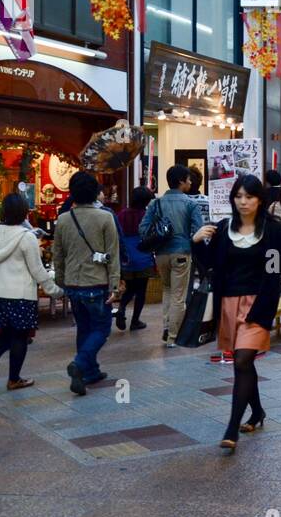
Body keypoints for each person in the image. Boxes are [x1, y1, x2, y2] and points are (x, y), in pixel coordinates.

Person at [193, 174, 281, 452]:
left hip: (259, 304)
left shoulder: (272, 232)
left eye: (249, 196)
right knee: (242, 363)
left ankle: (231, 428)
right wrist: (197, 242)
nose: (243, 202)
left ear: (260, 200)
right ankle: (257, 411)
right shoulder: (224, 229)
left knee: (243, 359)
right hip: (227, 304)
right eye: (238, 196)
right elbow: (209, 266)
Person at [0, 193, 63, 391]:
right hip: (21, 294)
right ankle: (14, 379)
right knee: (20, 336)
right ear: (24, 213)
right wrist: (54, 290)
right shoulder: (27, 238)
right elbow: (37, 270)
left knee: (6, 332)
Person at [53, 171, 123, 395]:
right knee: (102, 328)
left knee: (83, 328)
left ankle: (90, 372)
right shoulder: (105, 217)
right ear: (95, 192)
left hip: (73, 283)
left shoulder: (64, 219)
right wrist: (114, 286)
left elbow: (58, 255)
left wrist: (61, 281)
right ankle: (80, 363)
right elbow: (113, 254)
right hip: (97, 283)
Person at [140, 164, 201, 347]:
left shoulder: (156, 203)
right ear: (181, 181)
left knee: (167, 289)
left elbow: (143, 229)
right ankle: (173, 336)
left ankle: (167, 326)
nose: (190, 182)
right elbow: (198, 230)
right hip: (182, 252)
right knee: (178, 295)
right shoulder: (191, 203)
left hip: (160, 253)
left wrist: (159, 232)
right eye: (188, 179)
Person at [115, 186, 155, 331]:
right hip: (143, 256)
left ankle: (121, 307)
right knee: (141, 291)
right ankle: (135, 321)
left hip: (126, 257)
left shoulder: (121, 214)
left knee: (130, 288)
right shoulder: (146, 215)